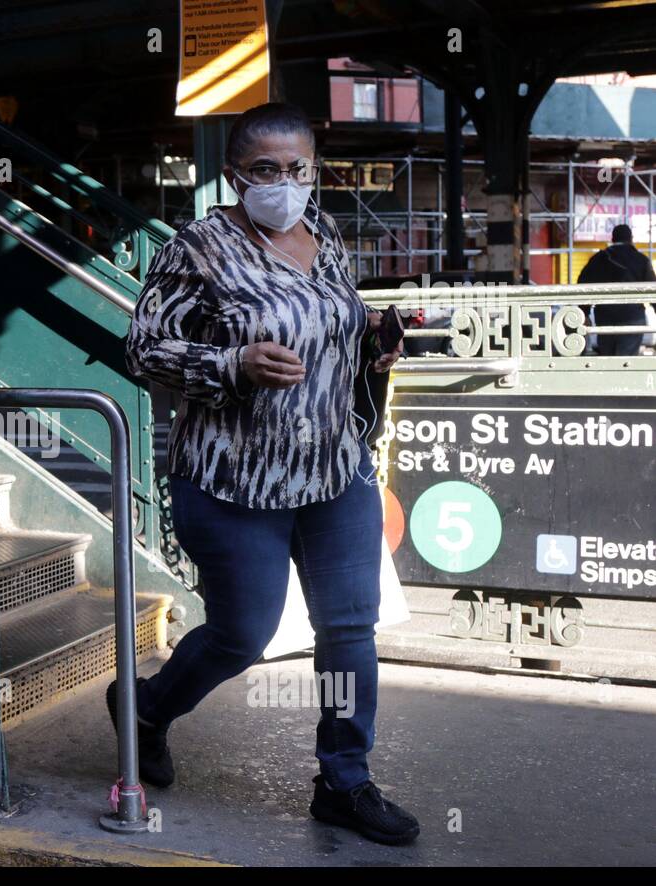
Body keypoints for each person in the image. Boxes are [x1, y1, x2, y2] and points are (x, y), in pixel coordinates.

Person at [116, 101, 418, 846]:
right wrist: (232, 363)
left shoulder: (329, 236)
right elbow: (143, 349)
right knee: (242, 635)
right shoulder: (199, 245)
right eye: (265, 170)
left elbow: (331, 321)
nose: (284, 183)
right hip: (233, 479)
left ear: (313, 171)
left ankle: (344, 781)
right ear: (234, 173)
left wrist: (372, 342)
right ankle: (147, 709)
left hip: (333, 470)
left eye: (298, 169)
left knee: (350, 630)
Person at [577, 224, 655, 356]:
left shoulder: (599, 259)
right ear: (631, 239)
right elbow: (652, 288)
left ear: (612, 238)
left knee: (608, 360)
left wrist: (584, 312)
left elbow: (583, 283)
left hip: (605, 317)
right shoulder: (641, 260)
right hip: (632, 318)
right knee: (626, 361)